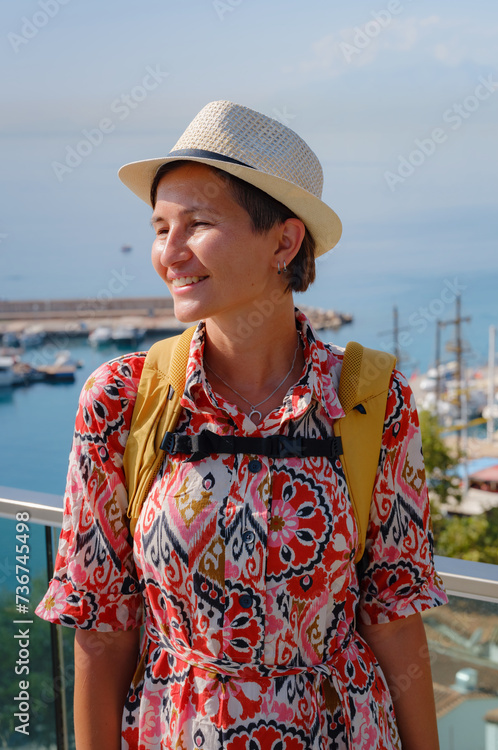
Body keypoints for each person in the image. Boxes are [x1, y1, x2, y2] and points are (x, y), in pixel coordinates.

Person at [36, 101, 447, 749]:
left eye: (197, 224)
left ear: (284, 242)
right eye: (160, 226)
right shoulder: (122, 400)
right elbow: (103, 625)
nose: (169, 253)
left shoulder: (370, 398)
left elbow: (393, 616)